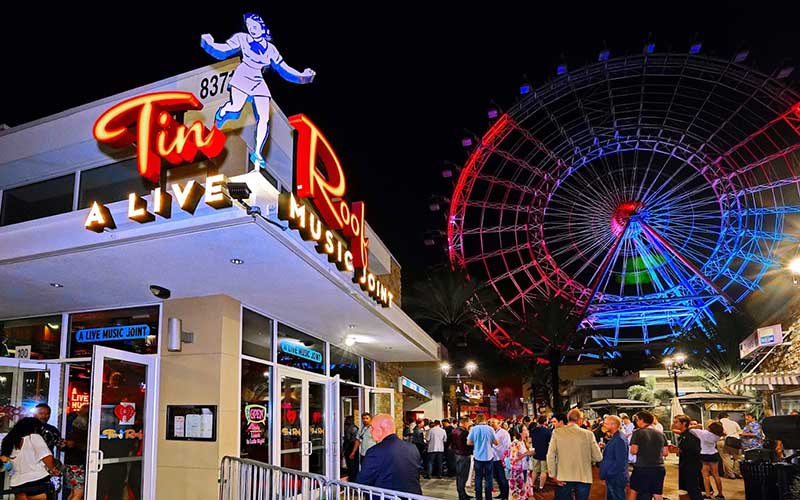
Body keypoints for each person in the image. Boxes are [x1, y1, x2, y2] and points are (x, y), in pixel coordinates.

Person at [200, 13, 316, 169]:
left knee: (264, 118)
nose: (252, 29)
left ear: (262, 27)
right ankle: (222, 112)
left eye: (254, 26)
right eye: (249, 26)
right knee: (236, 107)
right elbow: (224, 49)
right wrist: (209, 43)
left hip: (258, 80)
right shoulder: (242, 38)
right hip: (242, 75)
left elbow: (285, 69)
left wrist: (303, 76)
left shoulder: (271, 50)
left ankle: (258, 153)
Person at [356, 414, 422, 494]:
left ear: (380, 430)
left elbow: (362, 482)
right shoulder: (412, 448)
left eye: (372, 428)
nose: (370, 431)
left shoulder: (375, 451)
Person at [546, 409, 603, 500]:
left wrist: (553, 474)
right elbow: (598, 457)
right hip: (584, 476)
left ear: (568, 419)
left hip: (563, 476)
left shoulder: (557, 432)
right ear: (580, 420)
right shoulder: (588, 434)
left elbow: (550, 455)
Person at [1, 417, 60, 500]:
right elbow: (46, 456)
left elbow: (7, 464)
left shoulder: (9, 442)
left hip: (17, 483)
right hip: (37, 481)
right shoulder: (34, 437)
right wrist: (53, 469)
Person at [628, 411, 668, 500]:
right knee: (657, 493)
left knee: (634, 490)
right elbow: (665, 453)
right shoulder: (661, 433)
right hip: (659, 468)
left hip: (642, 467)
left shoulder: (637, 433)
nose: (636, 422)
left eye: (637, 420)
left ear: (641, 420)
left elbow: (633, 451)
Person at [689, 421, 726, 499]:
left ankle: (708, 495)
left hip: (703, 454)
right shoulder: (717, 436)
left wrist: (695, 426)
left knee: (705, 476)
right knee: (716, 475)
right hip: (713, 454)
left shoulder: (702, 433)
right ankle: (720, 494)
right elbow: (723, 432)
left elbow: (688, 430)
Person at [671, 414, 703, 500]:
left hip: (691, 465)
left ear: (684, 423)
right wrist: (678, 450)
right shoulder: (683, 435)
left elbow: (694, 450)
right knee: (686, 489)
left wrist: (680, 450)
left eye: (676, 422)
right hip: (685, 465)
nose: (674, 424)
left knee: (693, 488)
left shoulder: (690, 435)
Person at [467, 414, 498, 500]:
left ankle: (479, 497)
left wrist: (476, 443)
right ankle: (488, 497)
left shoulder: (473, 429)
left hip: (477, 457)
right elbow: (496, 442)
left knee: (478, 477)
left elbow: (468, 442)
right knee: (489, 477)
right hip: (488, 456)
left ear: (477, 420)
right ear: (485, 419)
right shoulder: (490, 429)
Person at [599, 415, 628, 500]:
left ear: (613, 425)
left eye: (606, 424)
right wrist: (606, 446)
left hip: (615, 478)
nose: (604, 426)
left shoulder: (619, 439)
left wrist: (609, 474)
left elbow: (620, 462)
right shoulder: (617, 437)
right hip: (614, 476)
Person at [62, 405, 88, 500]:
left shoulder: (71, 431)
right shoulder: (81, 433)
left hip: (71, 464)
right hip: (77, 465)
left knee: (73, 492)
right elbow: (74, 445)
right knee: (78, 493)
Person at [451, 417, 473, 500]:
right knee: (463, 476)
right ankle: (462, 495)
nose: (470, 424)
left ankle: (463, 493)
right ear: (465, 422)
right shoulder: (464, 432)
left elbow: (451, 444)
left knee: (460, 476)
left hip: (457, 454)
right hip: (464, 455)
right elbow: (468, 444)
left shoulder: (454, 431)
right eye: (469, 422)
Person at [529, 415, 551, 492]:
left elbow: (530, 441)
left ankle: (531, 486)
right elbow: (550, 442)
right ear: (545, 421)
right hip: (545, 453)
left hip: (535, 453)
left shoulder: (533, 430)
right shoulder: (548, 431)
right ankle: (541, 487)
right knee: (543, 471)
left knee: (535, 470)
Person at [490, 418, 511, 500]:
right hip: (494, 458)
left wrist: (506, 458)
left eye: (493, 422)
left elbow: (507, 446)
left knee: (503, 478)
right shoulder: (492, 432)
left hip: (501, 458)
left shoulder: (504, 433)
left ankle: (505, 495)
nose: (491, 424)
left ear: (499, 423)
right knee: (497, 477)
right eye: (490, 422)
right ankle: (502, 493)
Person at [351, 413, 376, 480]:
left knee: (372, 471)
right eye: (363, 418)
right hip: (363, 454)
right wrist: (353, 452)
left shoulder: (374, 429)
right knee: (364, 470)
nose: (365, 420)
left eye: (367, 418)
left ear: (371, 419)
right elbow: (357, 441)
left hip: (372, 454)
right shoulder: (361, 429)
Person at [717, 412, 742, 479]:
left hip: (721, 441)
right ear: (727, 416)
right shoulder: (734, 423)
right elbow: (740, 432)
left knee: (726, 458)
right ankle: (737, 472)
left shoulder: (718, 423)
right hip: (734, 441)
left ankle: (731, 475)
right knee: (737, 458)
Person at [342, 416, 359, 480]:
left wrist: (344, 451)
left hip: (350, 447)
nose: (345, 421)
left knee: (350, 464)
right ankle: (354, 478)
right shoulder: (356, 428)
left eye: (346, 420)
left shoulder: (349, 428)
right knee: (354, 465)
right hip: (355, 447)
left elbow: (348, 440)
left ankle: (352, 479)